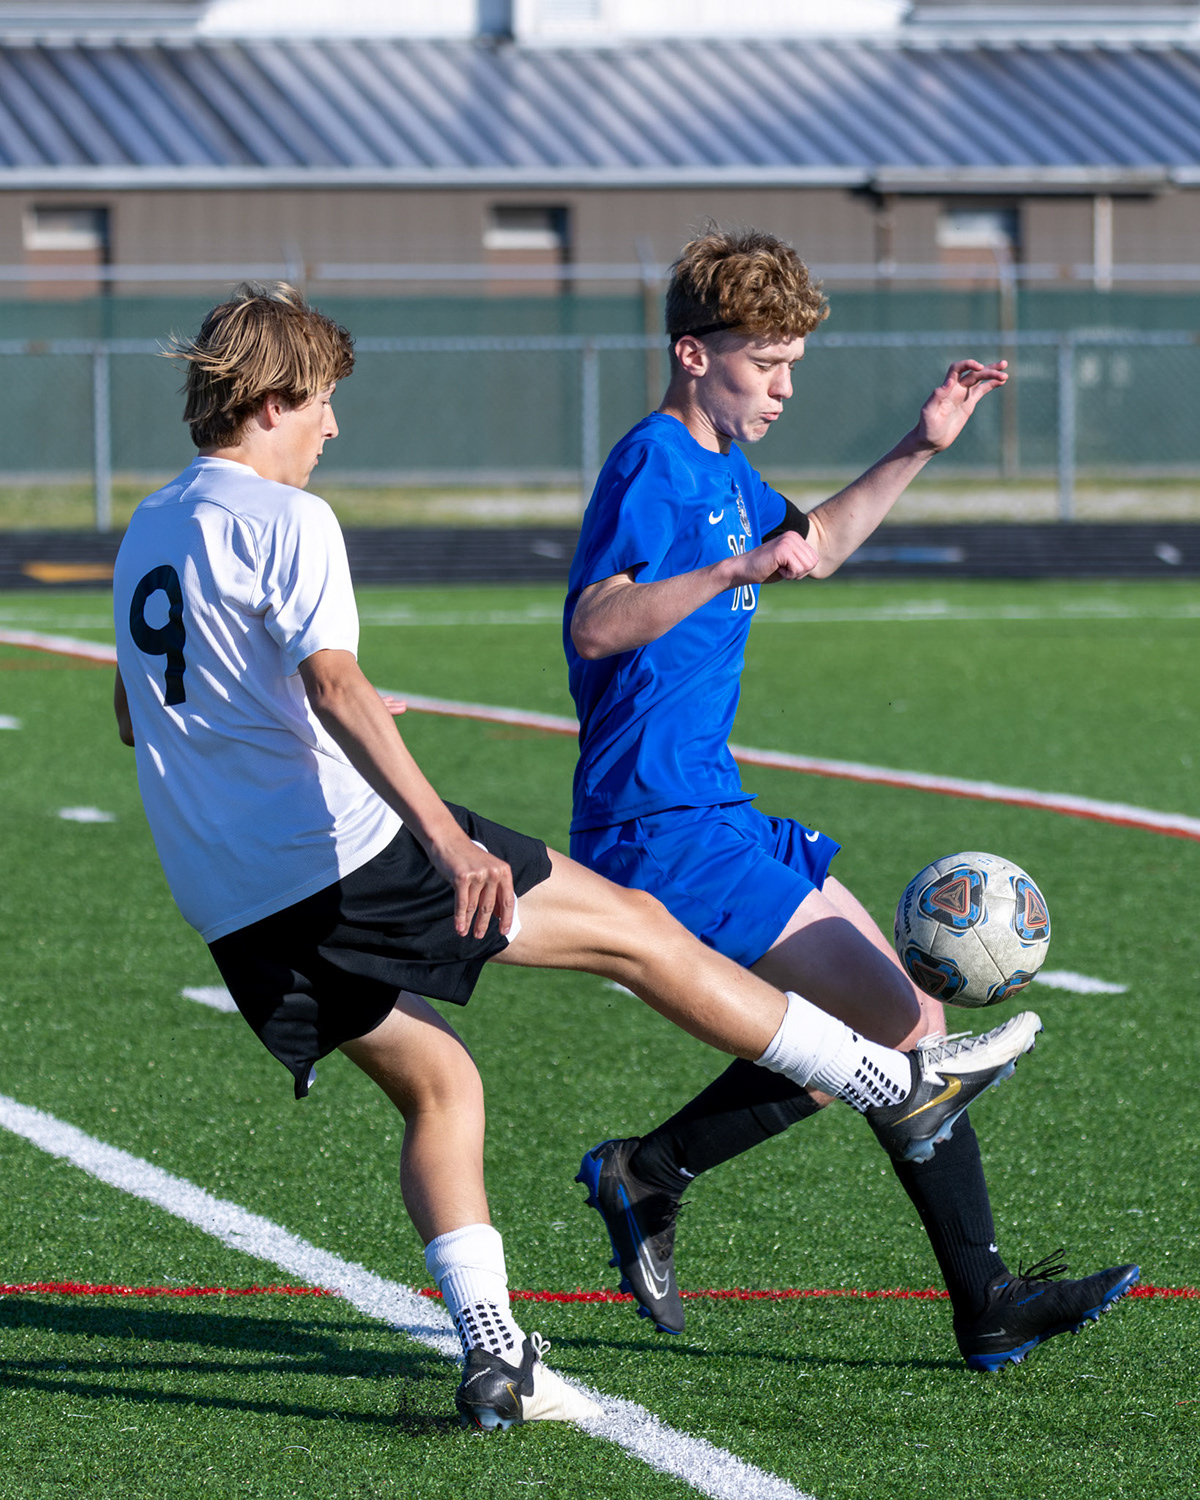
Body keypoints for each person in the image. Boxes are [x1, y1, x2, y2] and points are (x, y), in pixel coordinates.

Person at [110, 284, 1040, 1430]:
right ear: (267, 400)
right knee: (640, 937)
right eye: (323, 407)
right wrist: (445, 840)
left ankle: (495, 1355)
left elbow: (136, 709)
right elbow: (334, 680)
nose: (333, 430)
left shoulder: (151, 527)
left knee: (443, 1086)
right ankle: (895, 1081)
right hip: (347, 858)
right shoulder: (290, 518)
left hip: (230, 900)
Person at [564, 229, 1138, 1373]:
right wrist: (727, 571)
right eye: (763, 365)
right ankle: (975, 1304)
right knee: (890, 1030)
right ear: (693, 353)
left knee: (904, 1029)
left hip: (717, 810)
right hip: (656, 827)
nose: (781, 389)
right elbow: (597, 622)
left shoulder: (727, 468)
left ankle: (658, 1175)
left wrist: (918, 446)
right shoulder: (655, 464)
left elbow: (812, 547)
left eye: (792, 368)